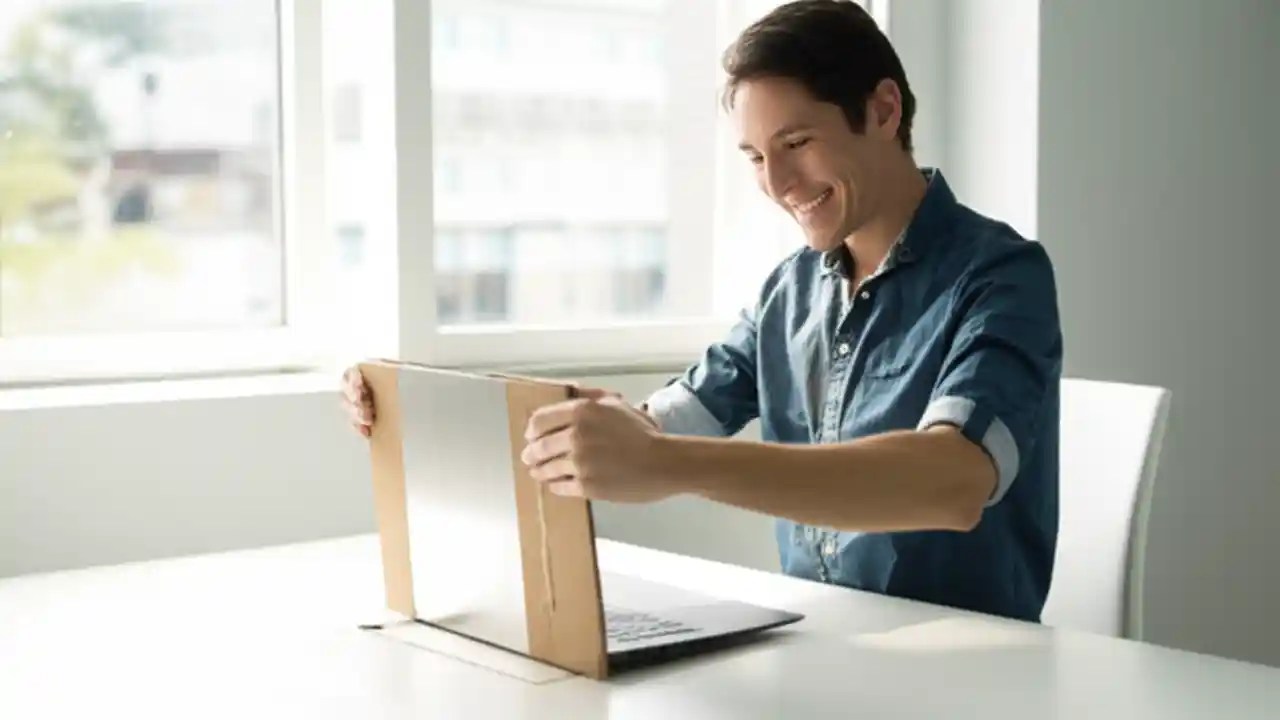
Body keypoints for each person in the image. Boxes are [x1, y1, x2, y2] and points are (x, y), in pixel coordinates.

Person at [342, 0, 1062, 623]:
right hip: (825, 648)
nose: (776, 183)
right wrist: (424, 418)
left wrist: (669, 464)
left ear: (882, 110)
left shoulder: (1001, 275)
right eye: (754, 156)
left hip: (969, 675)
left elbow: (954, 480)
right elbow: (660, 425)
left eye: (797, 143)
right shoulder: (790, 292)